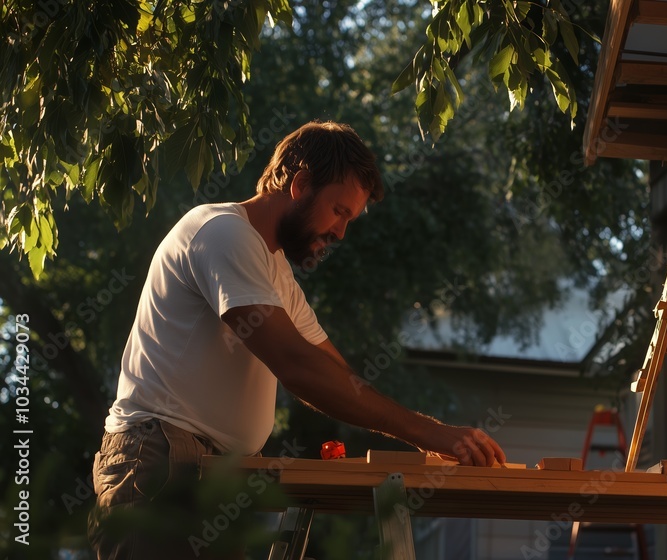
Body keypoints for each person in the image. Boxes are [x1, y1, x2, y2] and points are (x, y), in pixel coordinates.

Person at [88, 121, 506, 559]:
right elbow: (298, 368)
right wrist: (429, 433)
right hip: (159, 461)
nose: (341, 232)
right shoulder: (222, 234)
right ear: (300, 184)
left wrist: (426, 436)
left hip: (210, 471)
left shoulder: (276, 272)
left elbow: (333, 371)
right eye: (339, 211)